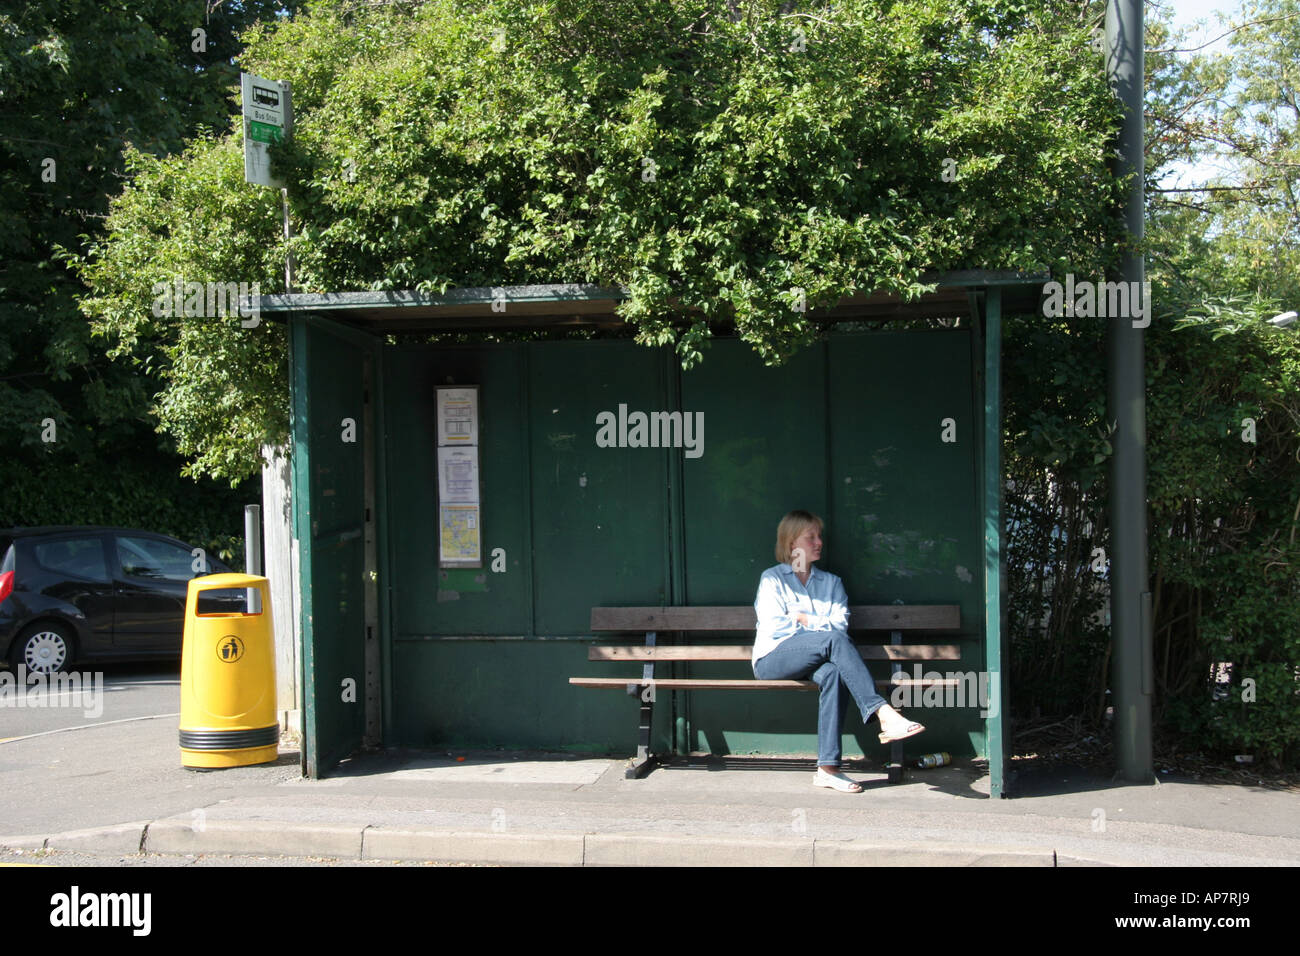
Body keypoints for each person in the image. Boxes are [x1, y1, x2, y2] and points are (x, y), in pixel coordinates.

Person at [752, 509, 924, 793]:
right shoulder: (772, 580)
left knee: (833, 672)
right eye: (811, 537)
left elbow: (840, 627)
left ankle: (828, 768)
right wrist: (819, 629)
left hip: (817, 658)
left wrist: (804, 619)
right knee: (830, 641)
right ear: (792, 542)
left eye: (819, 536)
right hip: (773, 659)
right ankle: (882, 712)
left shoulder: (832, 583)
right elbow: (776, 627)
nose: (819, 542)